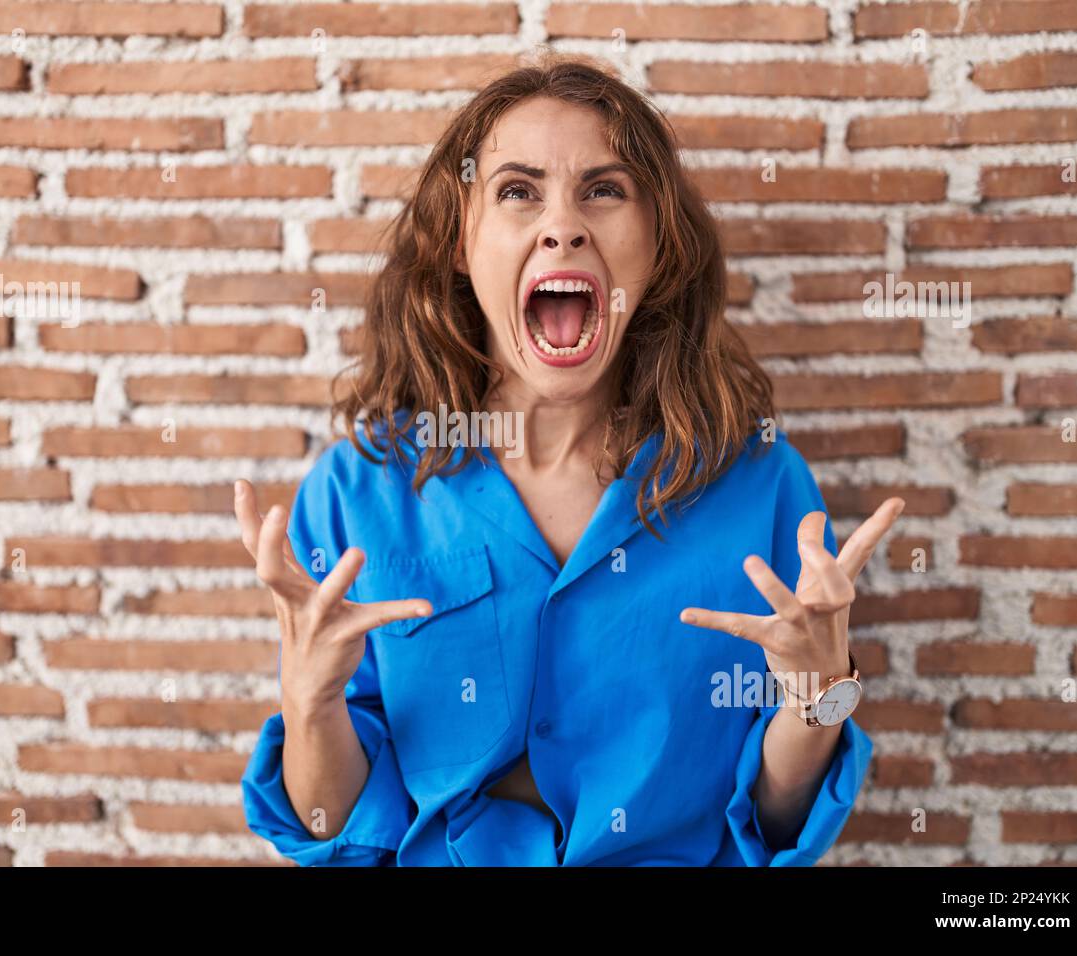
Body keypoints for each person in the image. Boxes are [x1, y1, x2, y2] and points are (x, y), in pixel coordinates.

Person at [235, 53, 904, 866]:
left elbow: (776, 822)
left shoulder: (761, 486)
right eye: (517, 191)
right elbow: (324, 827)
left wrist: (815, 697)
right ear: (457, 241)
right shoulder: (355, 493)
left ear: (657, 248)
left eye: (605, 189)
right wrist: (310, 701)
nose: (564, 226)